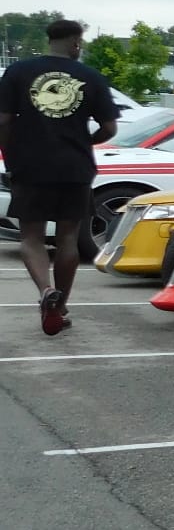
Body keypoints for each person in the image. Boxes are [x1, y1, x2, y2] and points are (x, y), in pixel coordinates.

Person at [0, 19, 117, 335]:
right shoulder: (91, 77)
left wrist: (11, 155)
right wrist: (83, 142)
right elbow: (109, 128)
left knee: (31, 237)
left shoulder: (18, 73)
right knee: (67, 238)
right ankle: (61, 304)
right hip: (74, 167)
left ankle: (45, 291)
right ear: (76, 43)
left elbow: (4, 121)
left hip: (30, 166)